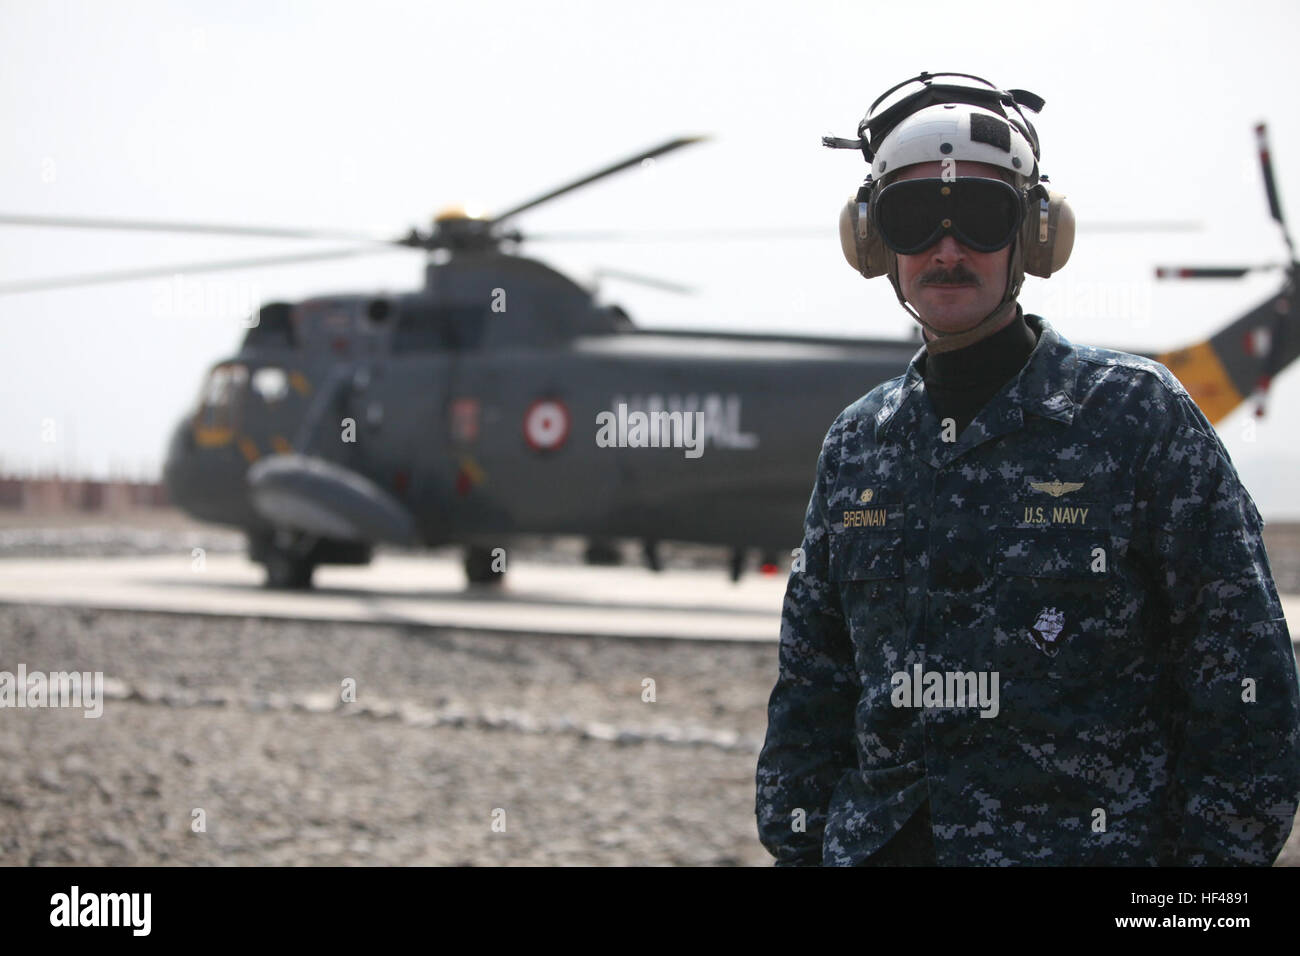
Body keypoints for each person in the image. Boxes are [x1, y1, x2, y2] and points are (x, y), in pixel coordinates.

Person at [755, 72, 1300, 866]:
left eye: (981, 219)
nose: (947, 250)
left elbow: (1250, 697)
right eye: (914, 221)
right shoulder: (857, 445)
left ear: (1035, 236)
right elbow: (812, 690)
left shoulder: (1135, 419)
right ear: (873, 241)